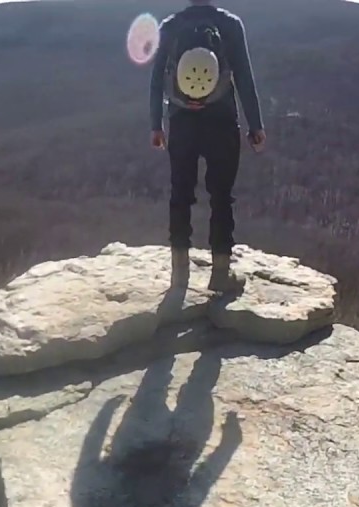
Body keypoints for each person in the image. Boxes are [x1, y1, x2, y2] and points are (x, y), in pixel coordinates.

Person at [149, 0, 266, 293]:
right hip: (222, 121)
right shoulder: (230, 25)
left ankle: (179, 276)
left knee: (180, 194)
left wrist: (156, 125)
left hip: (181, 122)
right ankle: (220, 274)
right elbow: (244, 77)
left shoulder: (170, 26)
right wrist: (256, 125)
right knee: (222, 196)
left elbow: (156, 79)